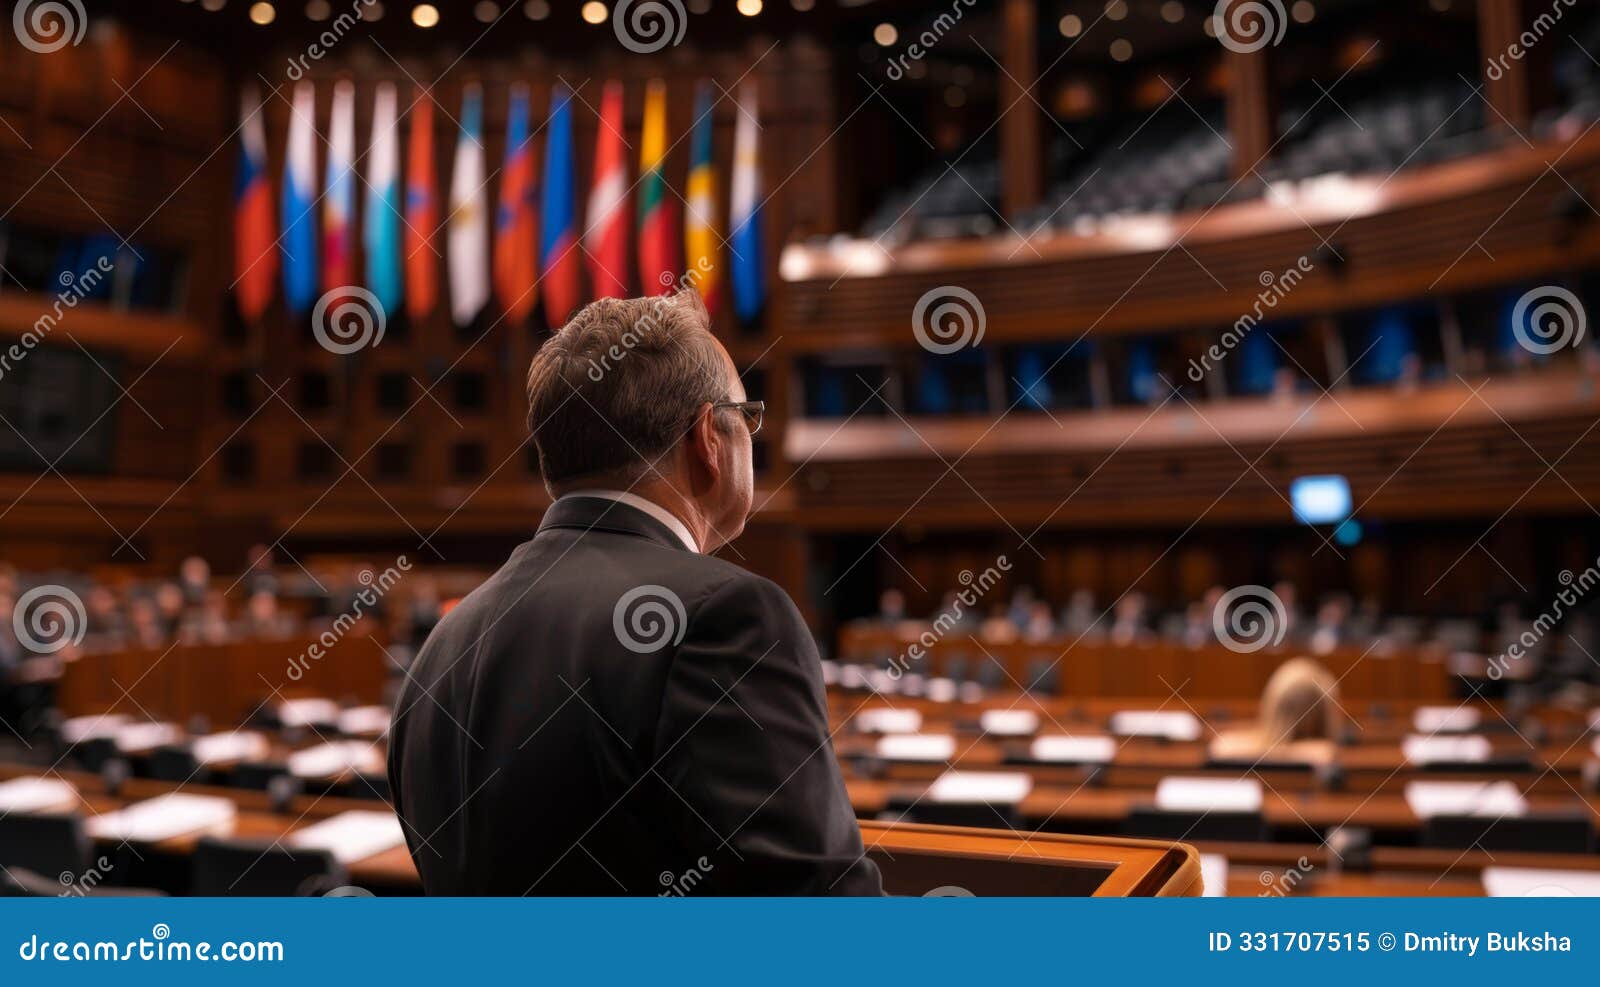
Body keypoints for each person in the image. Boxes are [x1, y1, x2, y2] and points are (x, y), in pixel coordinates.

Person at [389, 292, 881, 896]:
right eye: (746, 416)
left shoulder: (444, 645)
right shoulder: (725, 618)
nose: (753, 435)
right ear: (708, 439)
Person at [1210, 657, 1341, 765]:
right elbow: (1322, 753)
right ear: (1326, 715)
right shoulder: (1325, 756)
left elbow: (1221, 747)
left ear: (1272, 701)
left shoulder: (1225, 748)